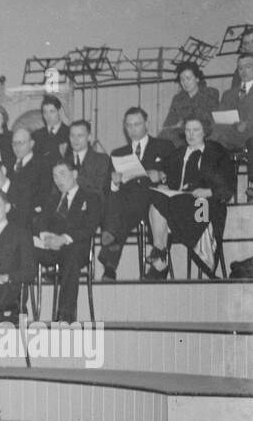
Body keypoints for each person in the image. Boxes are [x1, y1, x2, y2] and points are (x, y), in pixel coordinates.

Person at [144, 116, 236, 280]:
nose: (191, 134)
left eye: (196, 130)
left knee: (184, 205)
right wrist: (163, 182)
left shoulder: (217, 152)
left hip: (204, 204)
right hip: (179, 202)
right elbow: (168, 178)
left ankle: (160, 262)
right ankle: (160, 251)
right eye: (187, 130)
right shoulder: (178, 154)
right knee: (156, 197)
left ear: (204, 132)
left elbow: (228, 185)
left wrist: (208, 191)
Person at [98, 107, 173, 280]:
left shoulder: (164, 146)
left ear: (146, 124)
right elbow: (108, 188)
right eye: (128, 126)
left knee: (120, 213)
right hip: (128, 202)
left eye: (137, 124)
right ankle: (158, 265)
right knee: (115, 198)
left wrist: (161, 175)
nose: (132, 129)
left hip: (154, 200)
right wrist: (115, 182)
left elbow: (174, 175)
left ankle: (110, 262)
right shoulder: (118, 153)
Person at [31, 160, 99, 320]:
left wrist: (63, 238)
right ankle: (18, 308)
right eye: (55, 176)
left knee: (72, 254)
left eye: (62, 174)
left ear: (74, 174)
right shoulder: (52, 200)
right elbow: (39, 224)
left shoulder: (90, 197)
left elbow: (89, 227)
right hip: (50, 247)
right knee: (22, 246)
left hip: (74, 248)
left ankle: (65, 315)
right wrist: (46, 236)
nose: (58, 179)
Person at [214, 51, 253, 199]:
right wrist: (234, 126)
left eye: (248, 67)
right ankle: (222, 188)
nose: (243, 71)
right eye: (240, 67)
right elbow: (219, 117)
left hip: (250, 134)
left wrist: (247, 124)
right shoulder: (228, 94)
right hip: (231, 135)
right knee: (213, 145)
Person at [161, 61, 220, 144]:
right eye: (182, 79)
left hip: (204, 134)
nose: (185, 83)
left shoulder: (210, 93)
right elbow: (168, 124)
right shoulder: (178, 99)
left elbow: (209, 120)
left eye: (188, 78)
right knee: (163, 136)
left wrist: (183, 124)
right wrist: (175, 126)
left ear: (197, 78)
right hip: (183, 134)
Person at [6, 126, 46, 230]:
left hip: (29, 220)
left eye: (21, 143)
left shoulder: (42, 165)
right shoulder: (8, 164)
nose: (17, 147)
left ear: (31, 144)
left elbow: (43, 196)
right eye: (14, 143)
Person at [66, 119, 111, 197]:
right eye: (72, 135)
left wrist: (76, 178)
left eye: (80, 135)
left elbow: (100, 188)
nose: (75, 140)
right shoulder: (64, 162)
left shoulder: (102, 160)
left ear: (89, 137)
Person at [30, 94, 70, 166]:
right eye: (45, 112)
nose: (48, 116)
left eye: (52, 112)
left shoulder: (69, 133)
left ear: (59, 112)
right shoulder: (36, 135)